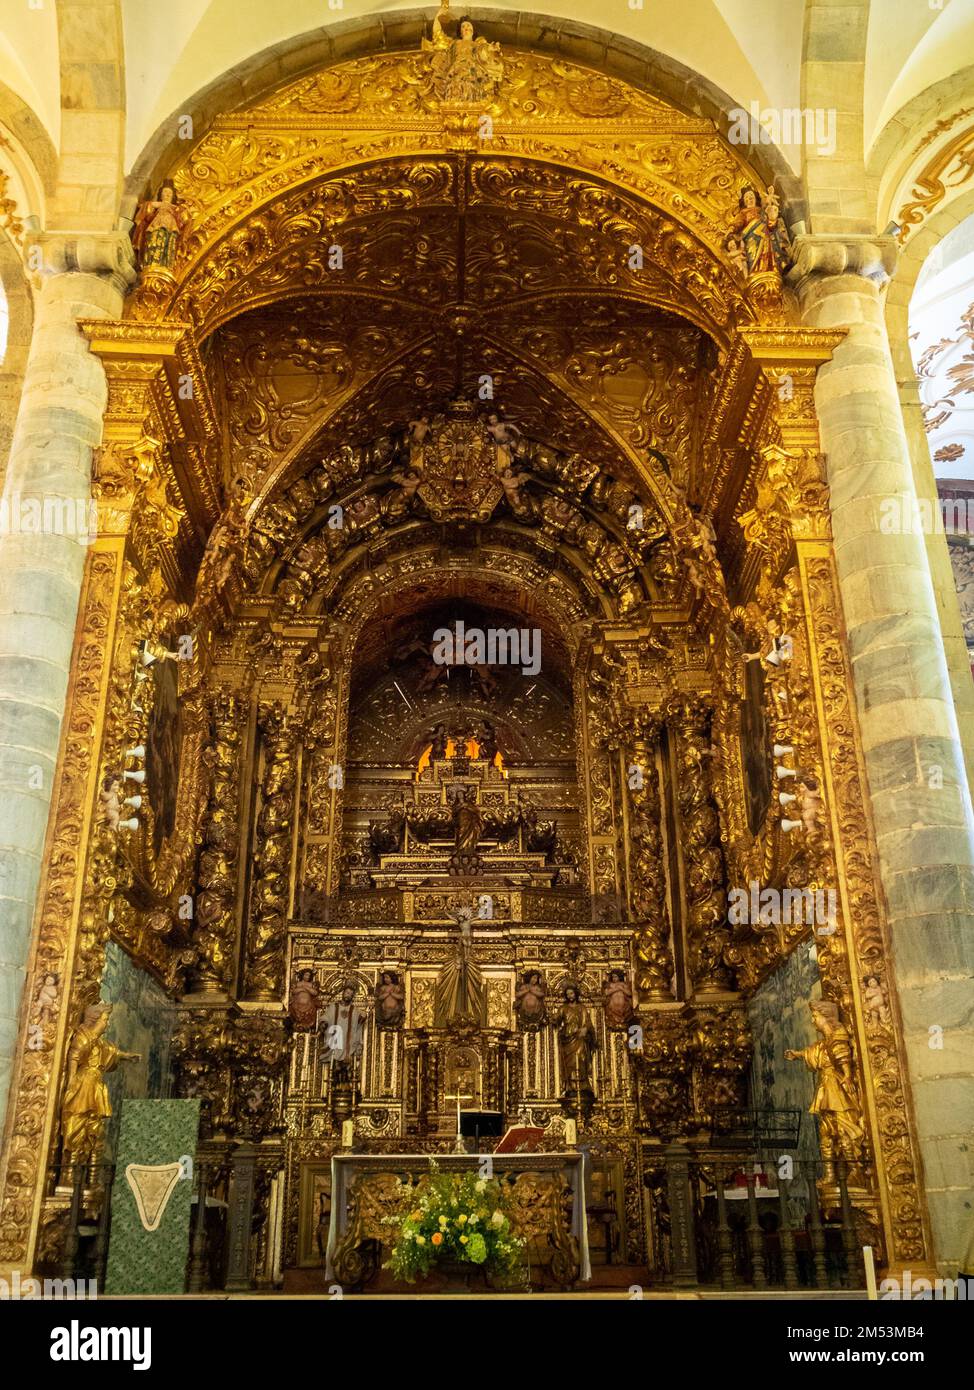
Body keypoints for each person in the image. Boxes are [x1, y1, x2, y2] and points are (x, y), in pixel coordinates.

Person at [61, 1003, 141, 1161]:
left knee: (95, 1126)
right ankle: (68, 1170)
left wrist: (127, 1056)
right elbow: (74, 1056)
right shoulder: (84, 1038)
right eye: (105, 1019)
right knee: (78, 1119)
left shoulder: (99, 1043)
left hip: (96, 1084)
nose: (108, 1023)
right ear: (95, 1020)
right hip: (85, 1083)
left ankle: (88, 1168)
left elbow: (111, 1052)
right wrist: (71, 1080)